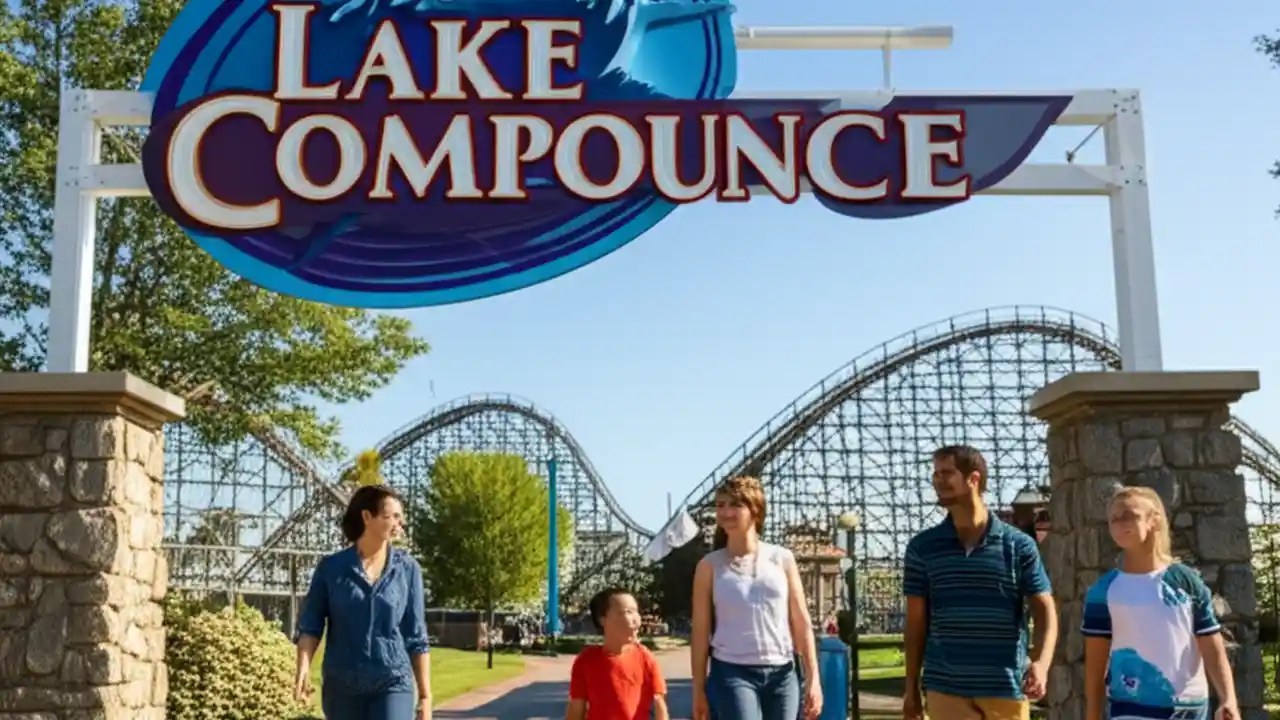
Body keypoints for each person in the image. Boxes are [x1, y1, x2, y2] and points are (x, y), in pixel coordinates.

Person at [902, 445, 1058, 720]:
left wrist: (1042, 664)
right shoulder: (922, 548)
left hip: (1005, 688)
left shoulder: (1019, 545)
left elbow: (1044, 610)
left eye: (947, 473)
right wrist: (911, 688)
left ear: (974, 479)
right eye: (935, 474)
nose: (938, 481)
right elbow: (915, 624)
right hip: (945, 688)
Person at [1082, 487, 1239, 720]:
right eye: (1113, 518)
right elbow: (1095, 662)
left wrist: (1228, 699)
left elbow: (1210, 643)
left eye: (1129, 515)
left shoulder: (1185, 581)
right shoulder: (1103, 591)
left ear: (1154, 520)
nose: (1119, 522)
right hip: (1130, 707)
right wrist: (1093, 714)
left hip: (1190, 708)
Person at [293, 484, 432, 720]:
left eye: (401, 517)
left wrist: (426, 697)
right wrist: (303, 667)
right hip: (342, 685)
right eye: (393, 516)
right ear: (367, 517)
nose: (400, 523)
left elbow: (416, 636)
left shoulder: (408, 569)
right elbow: (311, 626)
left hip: (392, 680)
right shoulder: (331, 568)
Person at [690, 475, 823, 720]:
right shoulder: (709, 566)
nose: (726, 512)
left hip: (782, 672)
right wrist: (698, 688)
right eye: (720, 505)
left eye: (735, 505)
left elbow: (801, 620)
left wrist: (813, 677)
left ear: (755, 510)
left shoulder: (782, 558)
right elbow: (700, 631)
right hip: (732, 670)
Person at [565, 587, 669, 720]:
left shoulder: (645, 657)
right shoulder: (586, 661)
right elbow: (576, 708)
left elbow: (659, 704)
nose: (635, 618)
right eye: (628, 612)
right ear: (603, 619)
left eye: (636, 611)